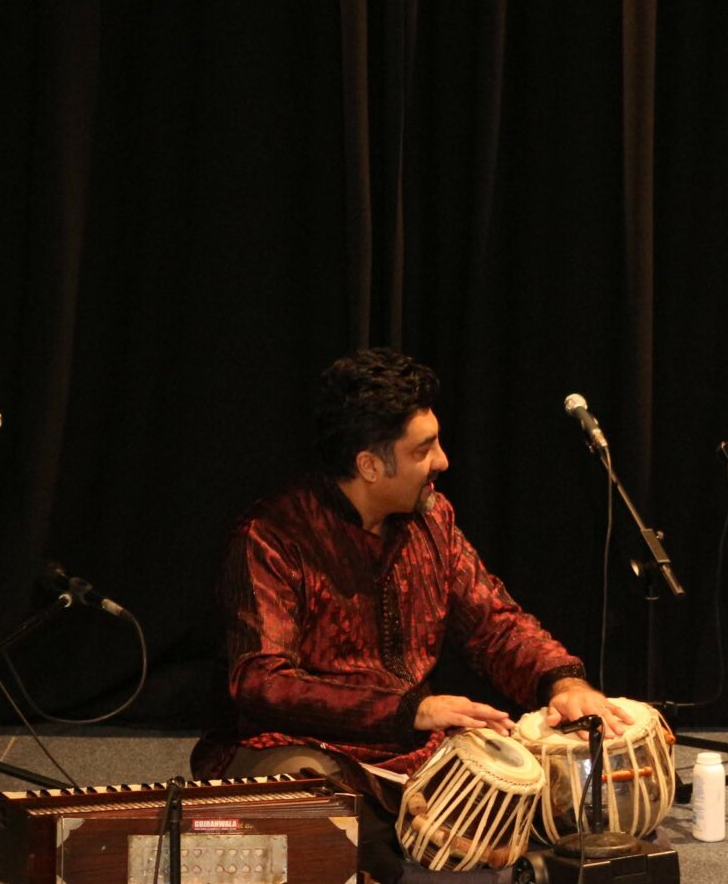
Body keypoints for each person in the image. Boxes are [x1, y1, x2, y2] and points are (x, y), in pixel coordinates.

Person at [191, 349, 625, 850]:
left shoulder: (432, 520)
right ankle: (409, 854)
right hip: (302, 744)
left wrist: (562, 682)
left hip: (418, 745)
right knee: (314, 803)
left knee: (538, 774)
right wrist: (406, 710)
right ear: (370, 466)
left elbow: (494, 623)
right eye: (424, 450)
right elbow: (261, 682)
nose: (443, 461)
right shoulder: (273, 538)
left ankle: (418, 847)